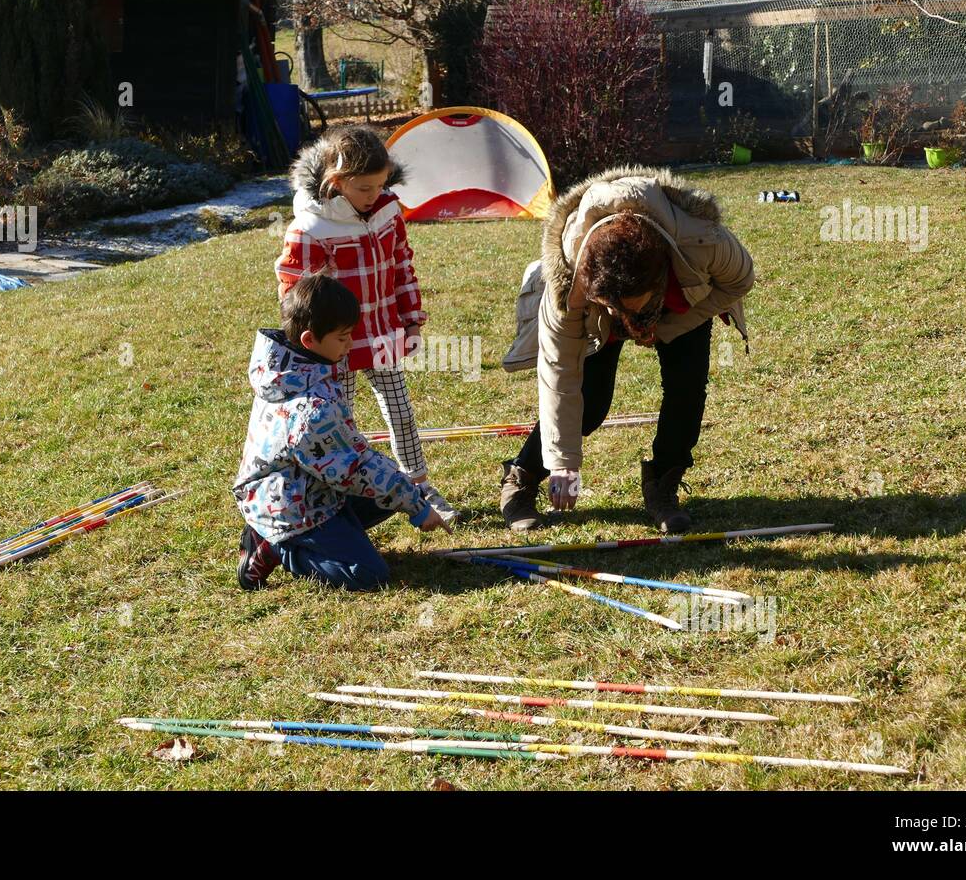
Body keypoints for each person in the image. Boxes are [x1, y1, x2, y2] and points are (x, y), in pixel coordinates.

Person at [500, 166, 754, 533]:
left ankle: (663, 486)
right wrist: (563, 463)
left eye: (631, 306)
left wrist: (667, 327)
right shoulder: (567, 280)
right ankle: (521, 478)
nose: (624, 316)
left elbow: (739, 280)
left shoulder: (703, 239)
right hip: (595, 313)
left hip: (683, 299)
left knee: (686, 389)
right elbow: (559, 375)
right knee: (591, 400)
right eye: (614, 305)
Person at [277, 124, 458, 524]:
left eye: (380, 185)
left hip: (382, 336)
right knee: (341, 423)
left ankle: (418, 484)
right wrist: (312, 344)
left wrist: (411, 320)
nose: (374, 196)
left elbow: (402, 265)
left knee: (401, 411)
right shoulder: (311, 228)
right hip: (334, 347)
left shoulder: (387, 212)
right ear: (336, 182)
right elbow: (294, 294)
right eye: (364, 189)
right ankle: (346, 498)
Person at [234, 274, 449, 592]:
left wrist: (406, 495)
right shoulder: (310, 406)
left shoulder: (291, 369)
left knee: (386, 492)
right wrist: (416, 506)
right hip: (288, 507)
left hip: (305, 488)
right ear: (310, 340)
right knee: (368, 574)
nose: (350, 345)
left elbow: (352, 459)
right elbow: (354, 468)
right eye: (343, 337)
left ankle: (330, 535)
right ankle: (276, 545)